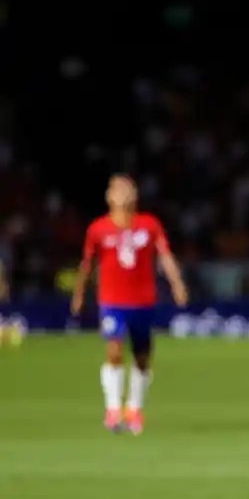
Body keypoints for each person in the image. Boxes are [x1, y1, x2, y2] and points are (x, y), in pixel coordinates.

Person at [71, 174, 189, 435]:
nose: (123, 193)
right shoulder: (98, 229)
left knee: (142, 357)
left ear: (135, 196)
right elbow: (87, 265)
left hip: (143, 301)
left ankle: (133, 408)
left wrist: (177, 283)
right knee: (113, 350)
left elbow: (165, 256)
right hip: (112, 302)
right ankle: (113, 408)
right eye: (117, 189)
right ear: (109, 197)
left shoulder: (149, 225)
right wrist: (79, 293)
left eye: (128, 189)